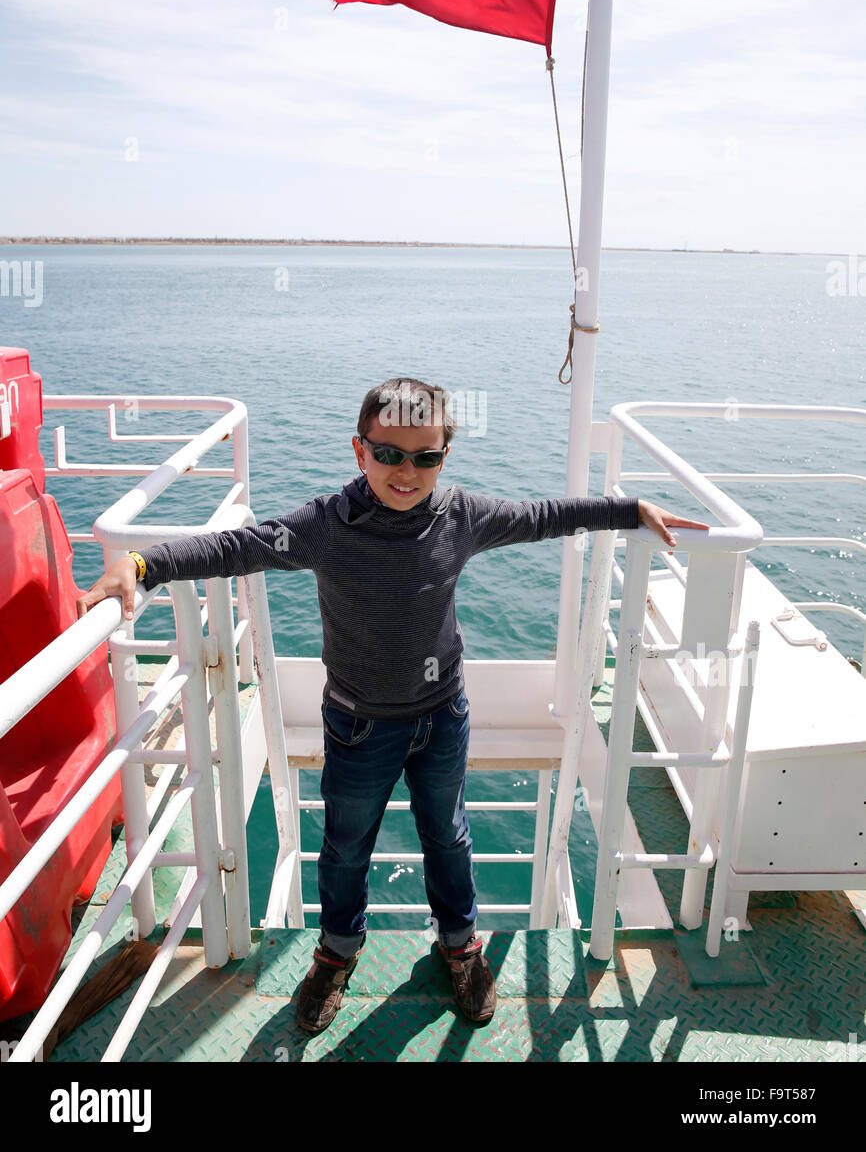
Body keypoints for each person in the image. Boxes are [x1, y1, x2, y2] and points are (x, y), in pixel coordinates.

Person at [76, 376, 709, 1033]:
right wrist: (143, 567)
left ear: (444, 457)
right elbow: (240, 546)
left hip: (442, 717)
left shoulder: (460, 516)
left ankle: (459, 946)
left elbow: (542, 516)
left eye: (425, 457)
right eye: (389, 454)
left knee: (449, 836)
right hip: (357, 724)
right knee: (346, 847)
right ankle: (338, 953)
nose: (406, 472)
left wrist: (628, 510)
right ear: (360, 451)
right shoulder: (326, 526)